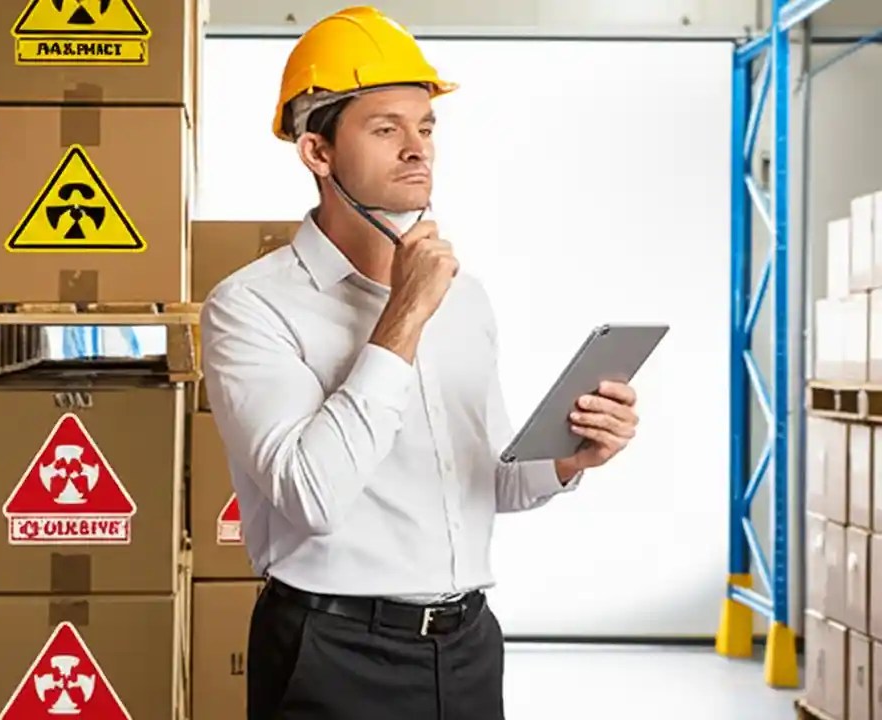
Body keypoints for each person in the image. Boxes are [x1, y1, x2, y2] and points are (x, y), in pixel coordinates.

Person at [198, 6, 642, 720]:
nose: (418, 149)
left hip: (467, 647)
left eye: (426, 126)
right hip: (330, 653)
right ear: (318, 152)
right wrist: (403, 313)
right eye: (385, 129)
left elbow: (489, 480)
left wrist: (568, 460)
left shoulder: (464, 299)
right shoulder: (250, 306)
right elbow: (310, 496)